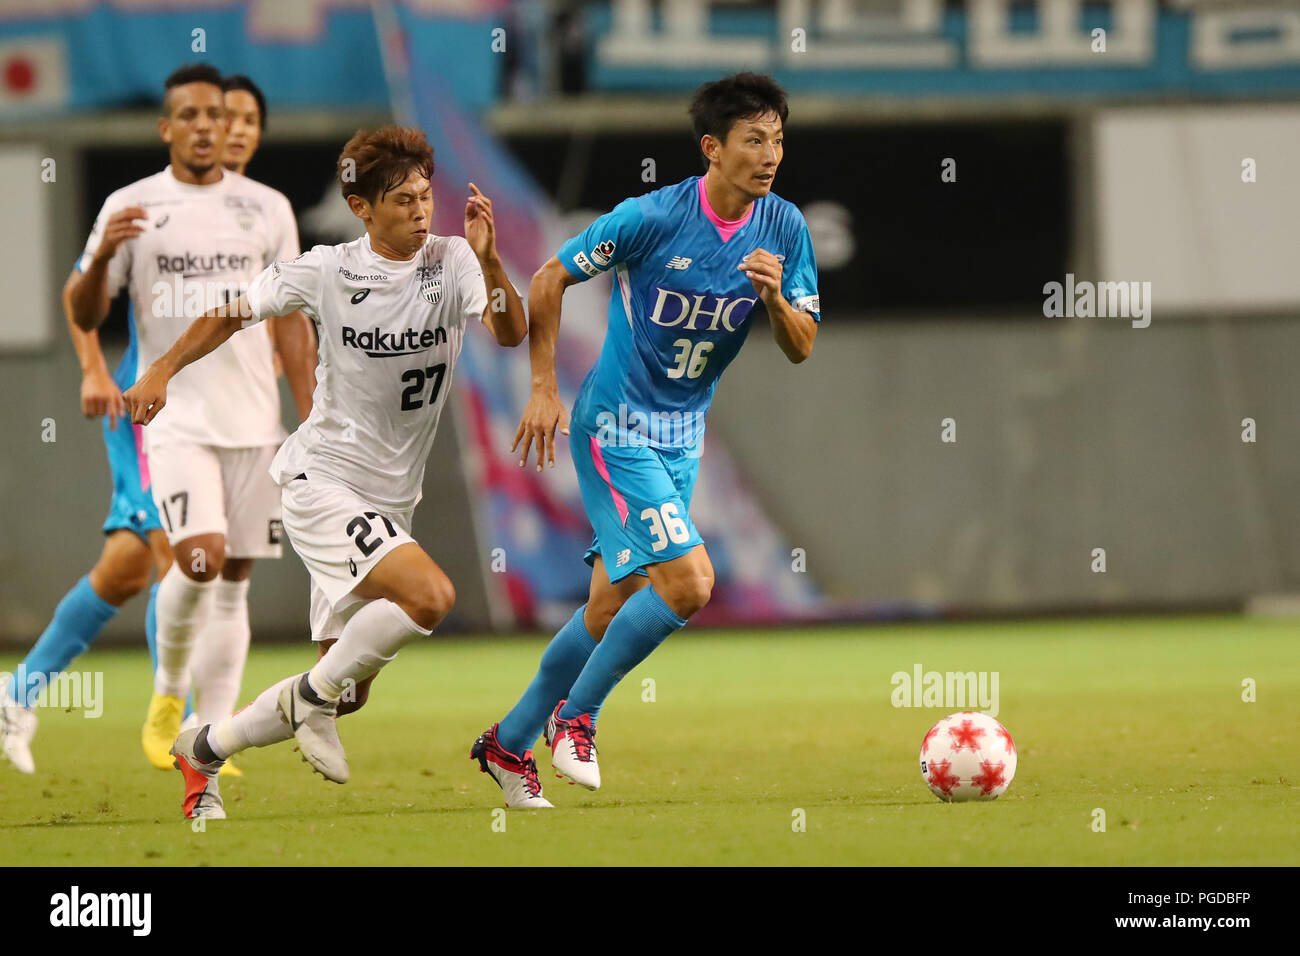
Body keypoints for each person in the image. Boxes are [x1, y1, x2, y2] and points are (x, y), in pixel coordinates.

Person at [123, 125, 527, 820]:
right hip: (323, 482)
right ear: (361, 207)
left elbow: (511, 331)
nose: (421, 212)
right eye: (402, 200)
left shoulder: (454, 259)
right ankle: (309, 700)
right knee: (430, 596)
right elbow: (230, 313)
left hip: (392, 499)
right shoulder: (327, 270)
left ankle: (204, 749)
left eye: (425, 196)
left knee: (348, 691)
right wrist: (161, 368)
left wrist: (491, 262)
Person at [471, 72, 820, 807]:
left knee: (612, 604)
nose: (770, 155)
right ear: (712, 148)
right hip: (615, 428)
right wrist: (543, 388)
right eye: (754, 140)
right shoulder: (651, 218)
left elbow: (803, 346)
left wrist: (775, 300)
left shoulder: (785, 228)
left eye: (778, 140)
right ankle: (578, 718)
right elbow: (547, 279)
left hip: (681, 440)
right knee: (689, 583)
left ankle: (508, 742)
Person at [70, 64, 316, 775]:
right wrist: (102, 256)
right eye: (191, 115)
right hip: (175, 418)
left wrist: (311, 418)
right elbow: (84, 309)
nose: (206, 126)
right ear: (167, 127)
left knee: (233, 578)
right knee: (199, 557)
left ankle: (210, 737)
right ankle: (167, 698)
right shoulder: (131, 205)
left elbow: (291, 319)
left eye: (217, 115)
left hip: (255, 420)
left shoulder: (267, 208)